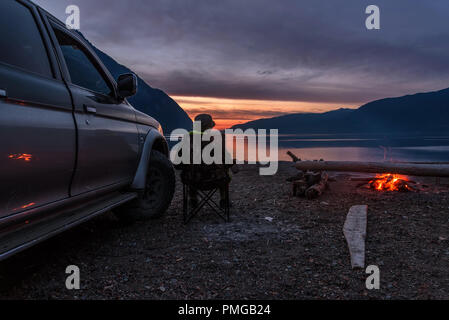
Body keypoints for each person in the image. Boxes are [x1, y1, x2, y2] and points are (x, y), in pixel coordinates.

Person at [183, 114, 238, 208]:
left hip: (193, 181)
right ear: (210, 127)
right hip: (216, 180)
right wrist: (233, 164)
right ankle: (224, 199)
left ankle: (193, 199)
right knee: (225, 170)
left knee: (189, 169)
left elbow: (178, 164)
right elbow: (228, 161)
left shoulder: (188, 139)